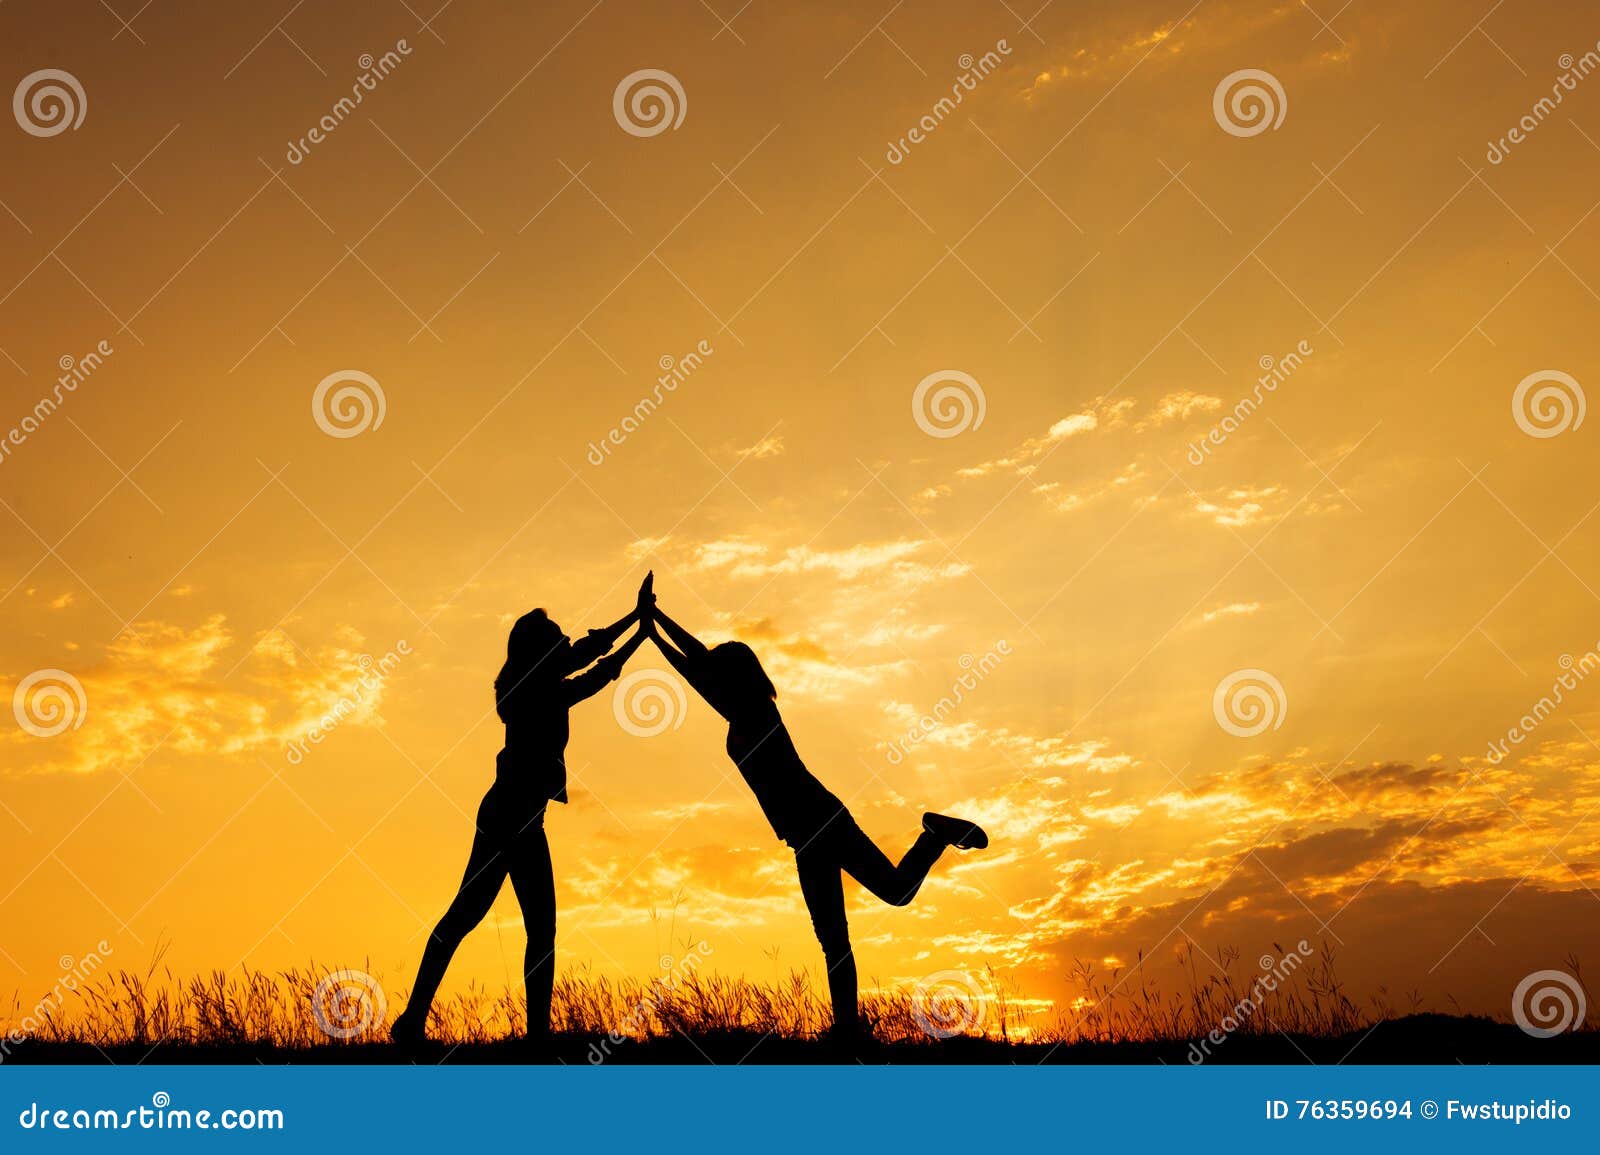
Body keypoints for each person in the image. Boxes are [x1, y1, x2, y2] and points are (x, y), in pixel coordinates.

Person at [640, 595, 989, 1038]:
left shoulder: (753, 710)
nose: (714, 678)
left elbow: (698, 670)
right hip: (806, 836)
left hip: (822, 821)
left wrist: (653, 632)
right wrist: (656, 619)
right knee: (840, 933)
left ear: (735, 680)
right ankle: (847, 1028)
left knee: (881, 906)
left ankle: (936, 836)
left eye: (721, 675)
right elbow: (702, 661)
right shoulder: (744, 709)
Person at [390, 577, 653, 1046]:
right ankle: (523, 1037)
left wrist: (637, 624)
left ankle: (423, 1021)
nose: (566, 640)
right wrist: (638, 629)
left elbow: (591, 660)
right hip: (513, 819)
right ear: (541, 651)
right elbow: (592, 665)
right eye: (557, 637)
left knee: (482, 921)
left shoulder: (535, 684)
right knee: (502, 923)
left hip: (514, 817)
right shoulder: (536, 689)